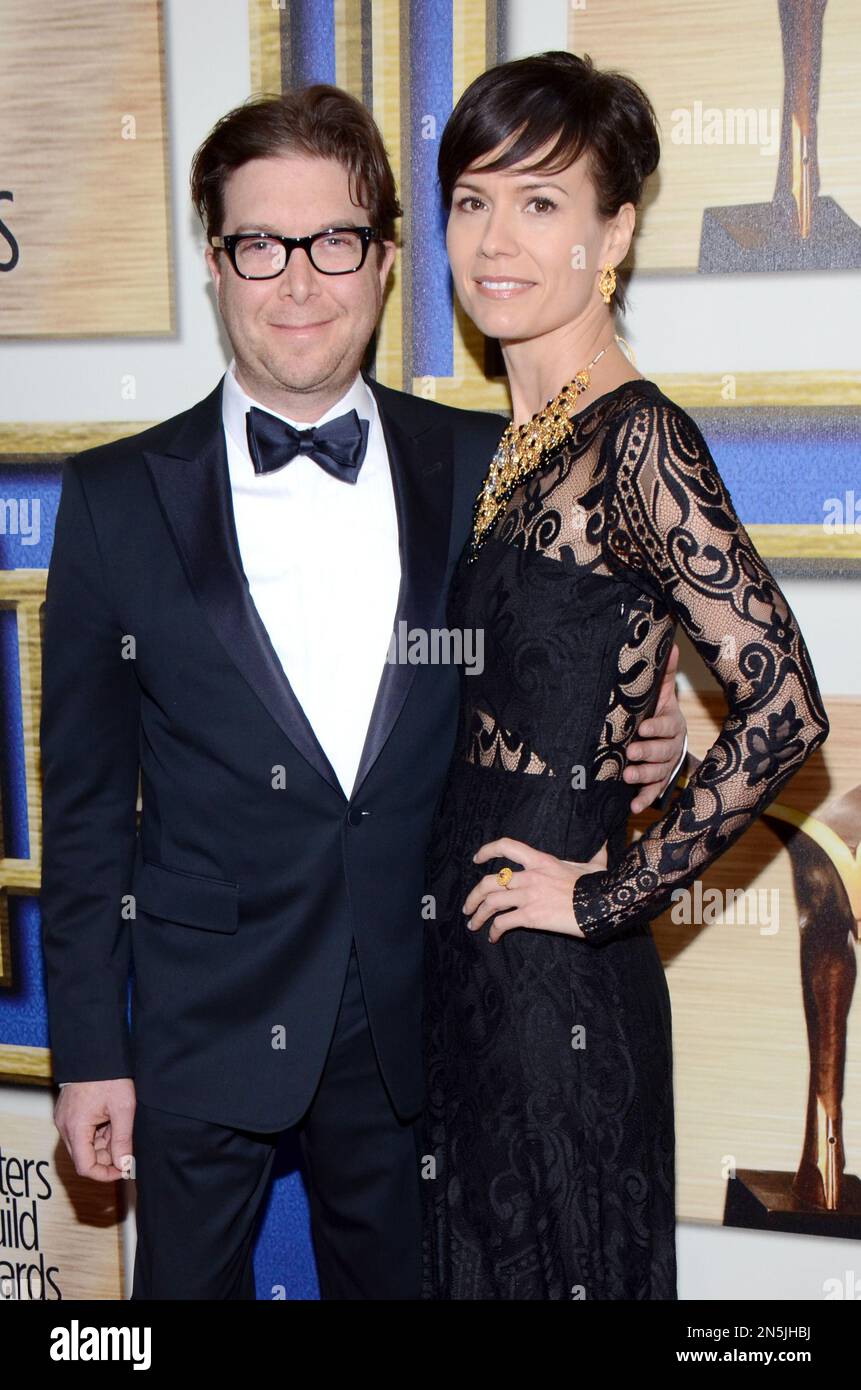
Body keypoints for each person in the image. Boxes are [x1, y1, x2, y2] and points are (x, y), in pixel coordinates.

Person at [38, 85, 687, 1302]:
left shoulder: (483, 467)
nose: (298, 282)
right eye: (260, 245)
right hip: (197, 1023)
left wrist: (651, 730)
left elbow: (561, 669)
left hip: (418, 1013)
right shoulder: (116, 499)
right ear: (216, 262)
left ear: (388, 262)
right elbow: (78, 812)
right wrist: (89, 1054)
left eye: (334, 241)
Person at [420, 51, 830, 1300]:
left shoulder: (638, 438)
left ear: (617, 232)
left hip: (556, 995)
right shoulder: (508, 448)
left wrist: (608, 894)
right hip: (466, 971)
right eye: (473, 198)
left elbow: (786, 704)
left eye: (542, 202)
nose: (496, 237)